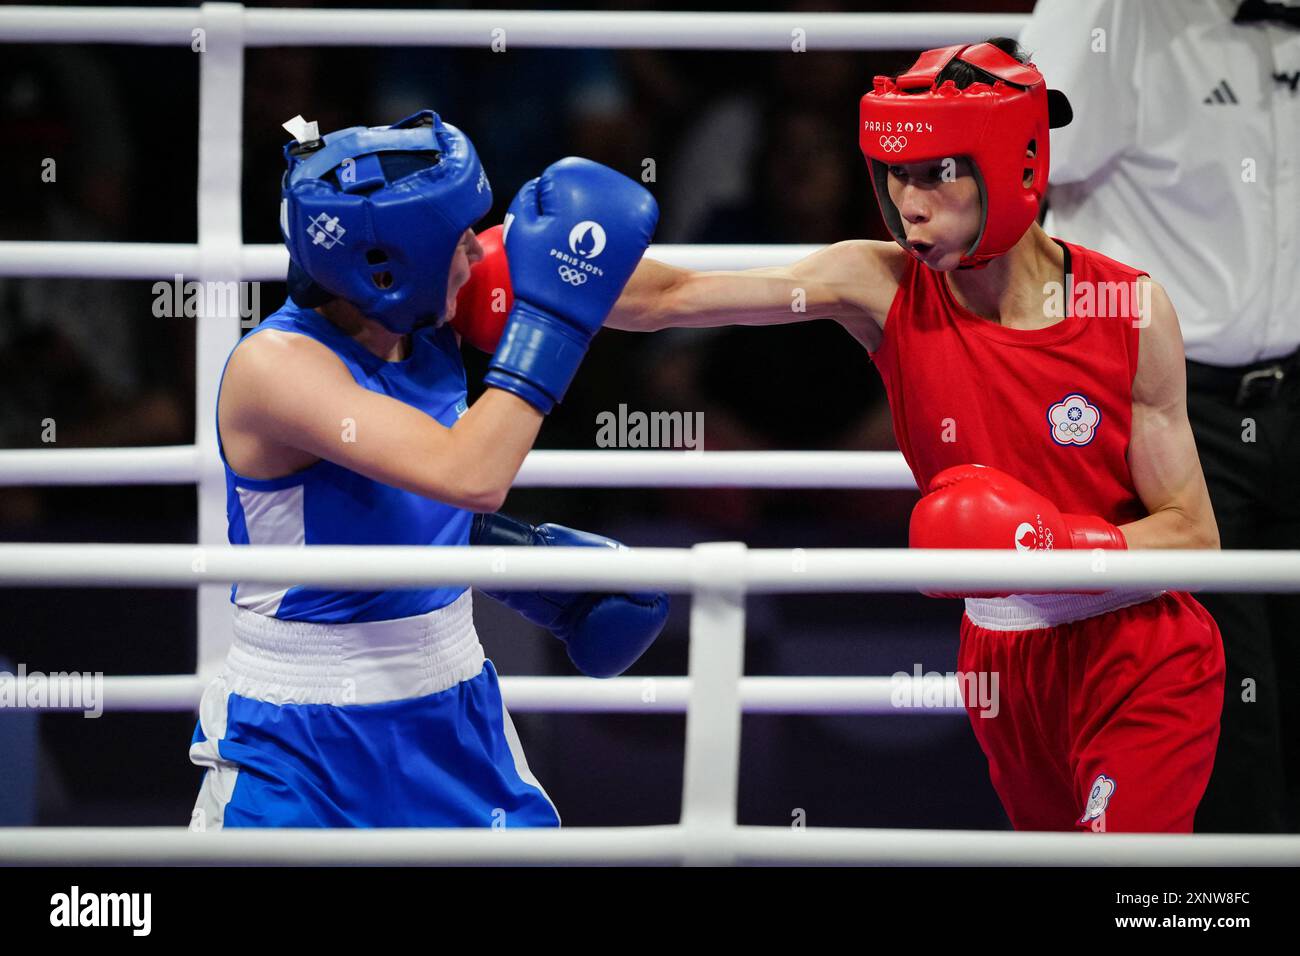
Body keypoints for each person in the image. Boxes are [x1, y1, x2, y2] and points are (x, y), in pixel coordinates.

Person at [576, 39, 1225, 831]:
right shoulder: (879, 285)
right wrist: (533, 274)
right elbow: (676, 295)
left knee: (1133, 895)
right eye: (896, 174)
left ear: (1012, 167)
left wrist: (1058, 547)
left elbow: (1193, 536)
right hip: (1004, 655)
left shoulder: (1130, 311)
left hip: (1139, 651)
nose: (909, 202)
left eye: (936, 174)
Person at [188, 110, 666, 829]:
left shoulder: (431, 311)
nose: (478, 249)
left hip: (452, 709)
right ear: (391, 261)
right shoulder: (273, 368)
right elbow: (470, 471)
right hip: (296, 745)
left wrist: (837, 288)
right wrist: (552, 322)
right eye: (457, 235)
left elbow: (660, 298)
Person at [1021, 0, 1300, 834]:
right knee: (1221, 725)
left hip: (1291, 400)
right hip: (1161, 414)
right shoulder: (1112, 11)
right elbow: (1019, 166)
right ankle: (1214, 920)